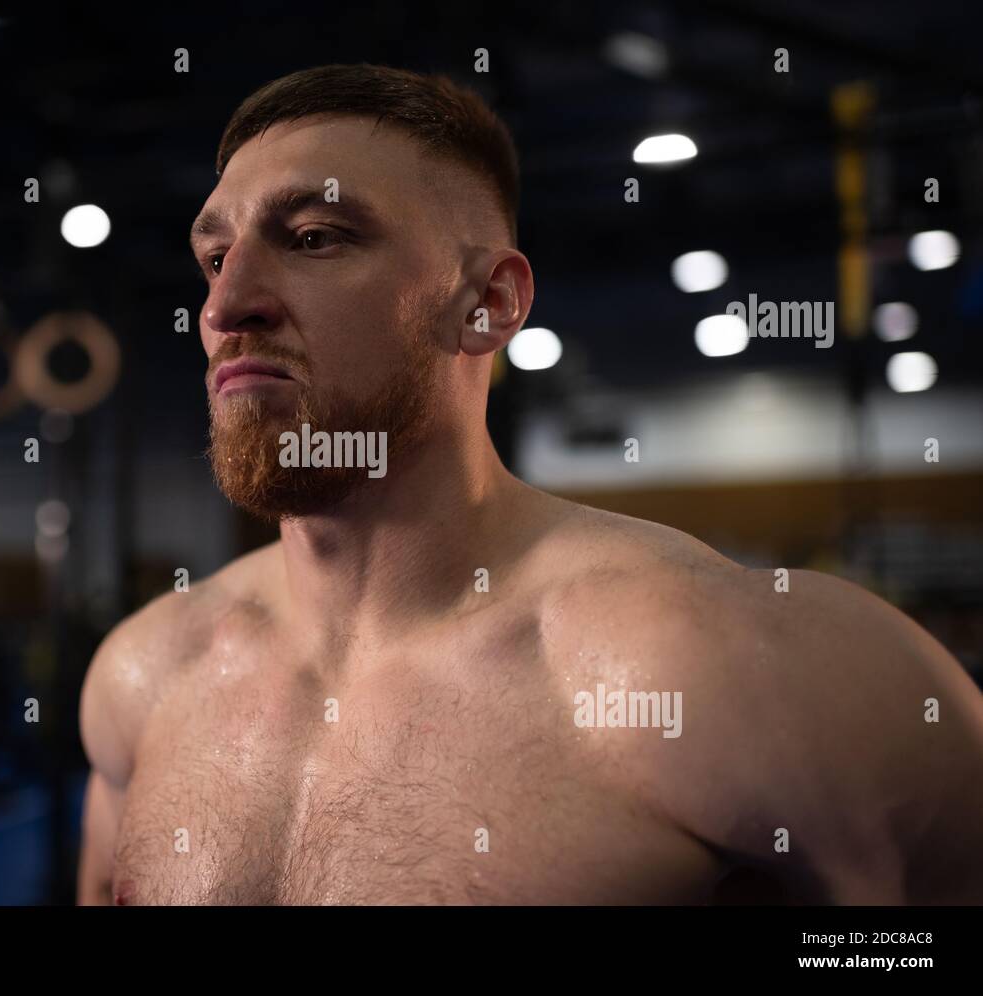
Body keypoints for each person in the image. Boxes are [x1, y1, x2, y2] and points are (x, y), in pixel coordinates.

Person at [77, 64, 983, 905]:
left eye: (313, 237)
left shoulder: (725, 671)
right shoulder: (145, 677)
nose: (226, 306)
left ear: (490, 305)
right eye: (214, 257)